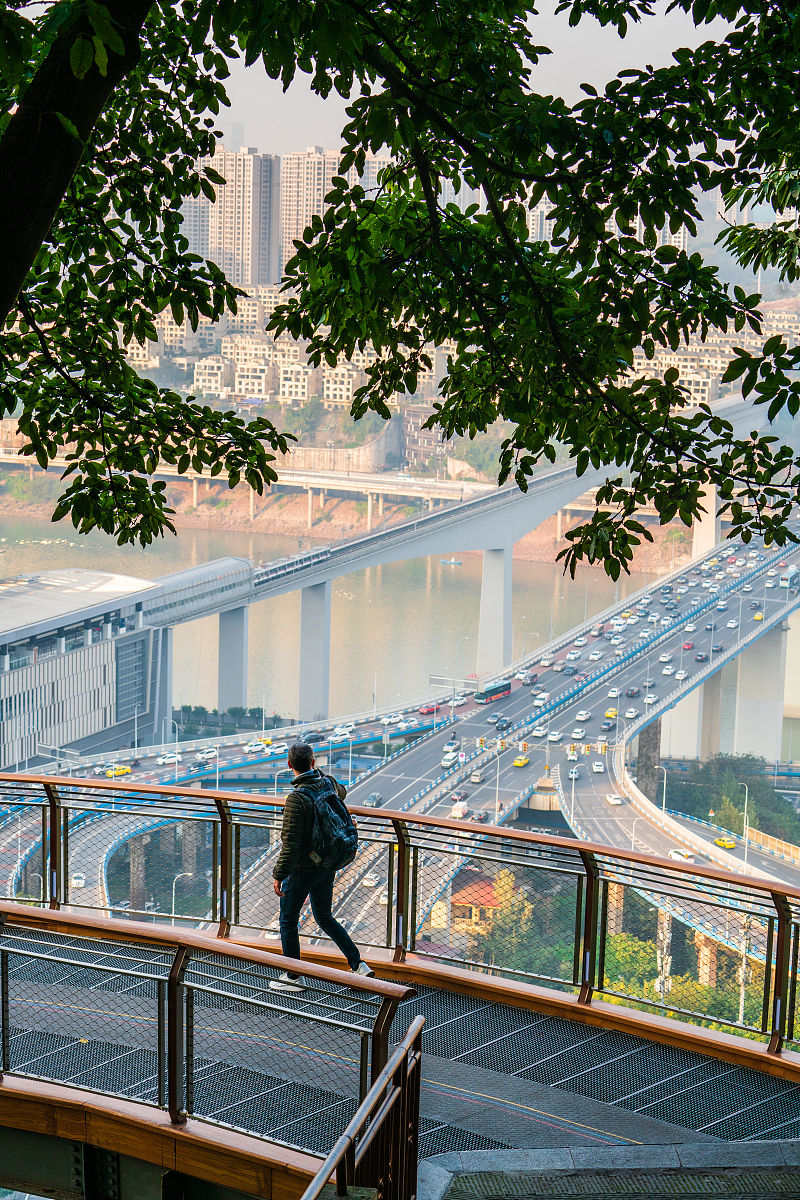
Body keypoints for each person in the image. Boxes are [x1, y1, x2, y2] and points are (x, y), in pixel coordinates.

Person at [270, 741, 374, 992]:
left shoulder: (296, 799)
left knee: (288, 920)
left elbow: (291, 844)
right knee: (324, 916)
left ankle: (293, 977)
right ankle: (358, 964)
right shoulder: (326, 783)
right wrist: (322, 775)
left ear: (289, 765)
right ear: (313, 762)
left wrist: (278, 874)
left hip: (304, 867)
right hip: (327, 863)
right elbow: (343, 792)